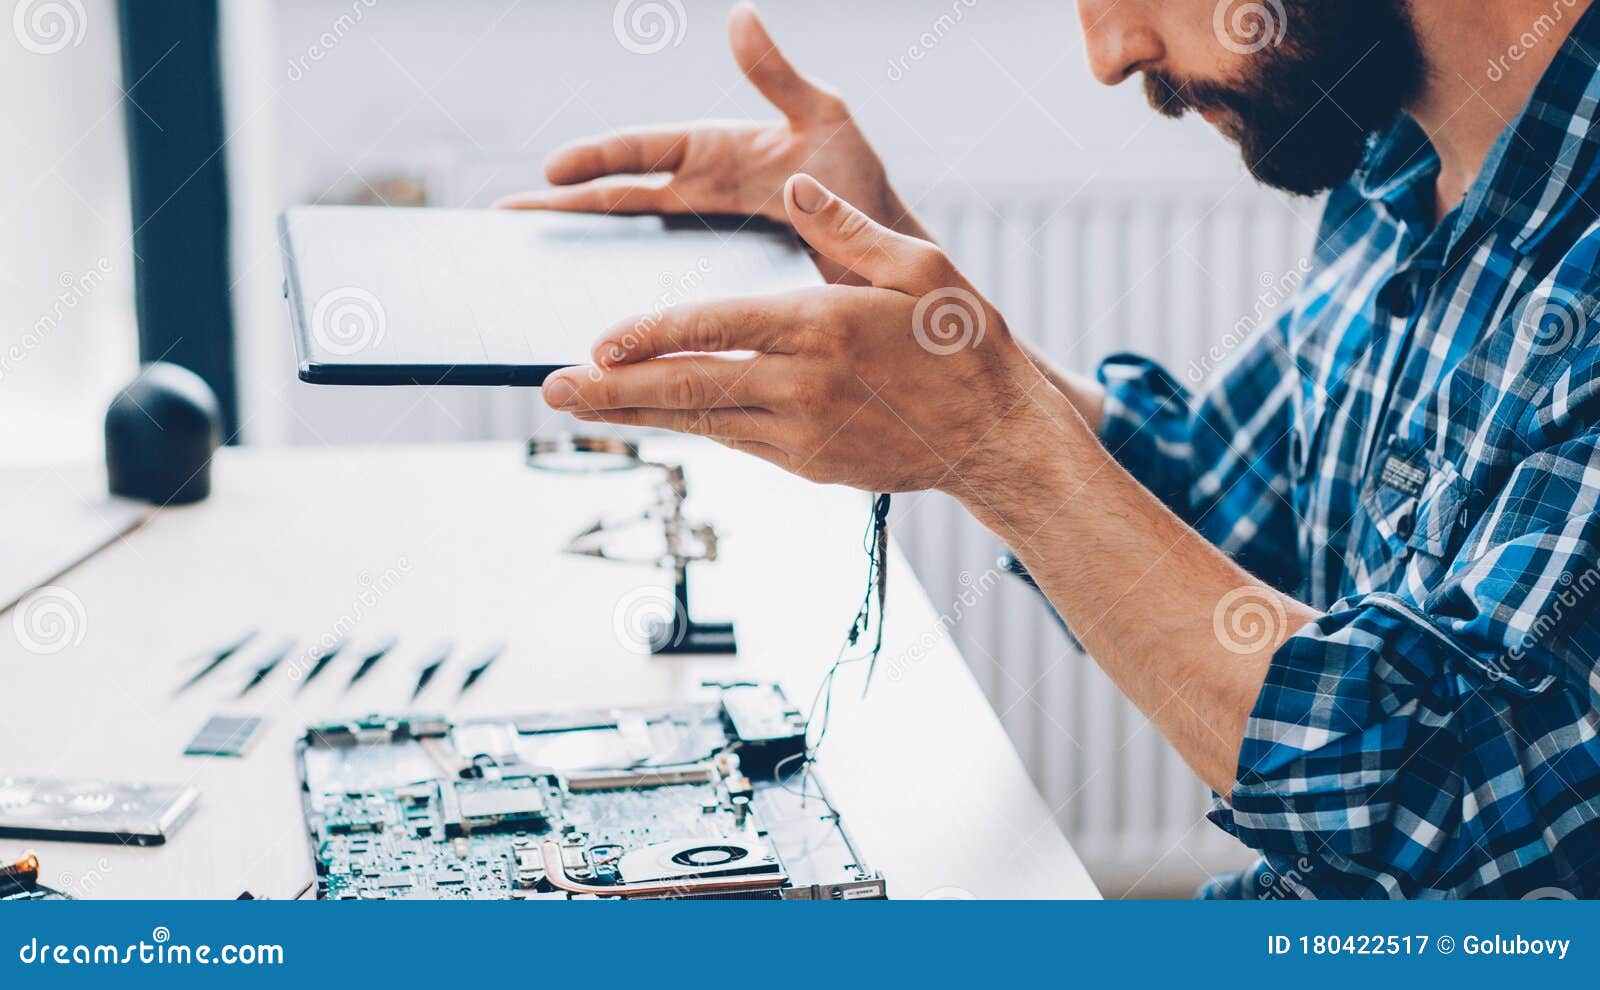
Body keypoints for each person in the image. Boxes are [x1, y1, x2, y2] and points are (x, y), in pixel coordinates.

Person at [502, 1, 1600, 898]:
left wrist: (996, 444)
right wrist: (914, 299)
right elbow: (1217, 508)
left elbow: (1440, 812)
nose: (1110, 52)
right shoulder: (1393, 174)